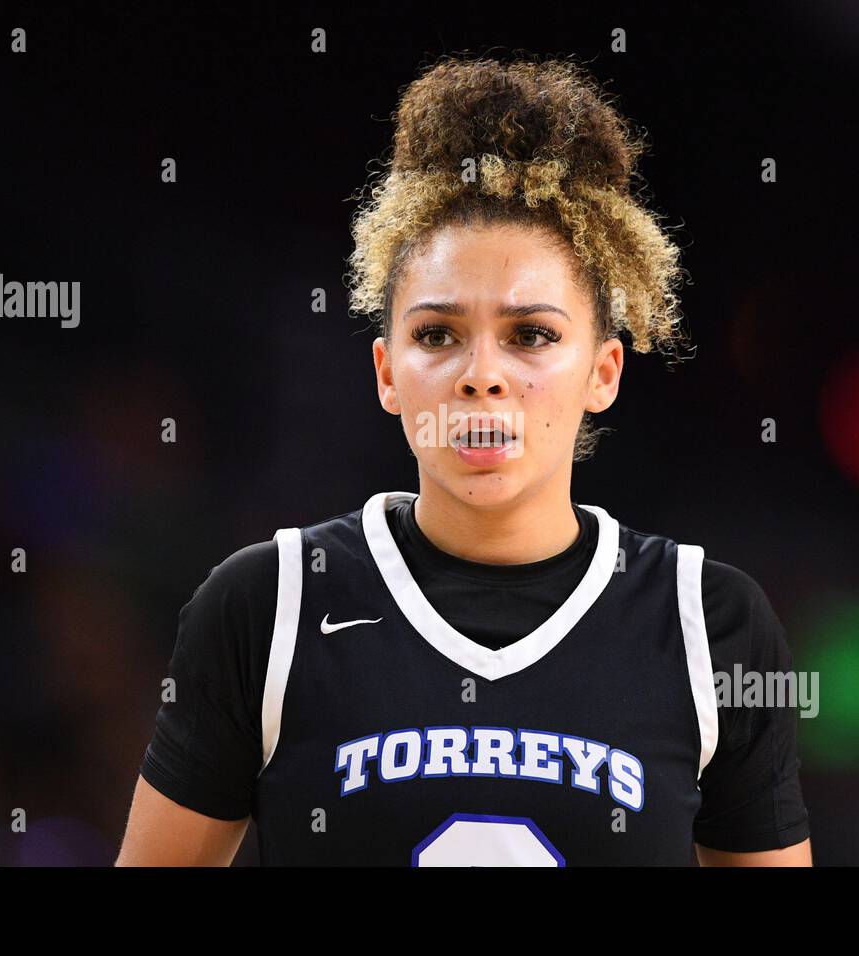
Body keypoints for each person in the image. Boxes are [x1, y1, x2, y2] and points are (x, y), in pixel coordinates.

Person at [116, 55, 812, 866]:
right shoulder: (268, 606)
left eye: (532, 335)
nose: (481, 373)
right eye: (438, 334)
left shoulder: (708, 624)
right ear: (386, 373)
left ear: (604, 373)